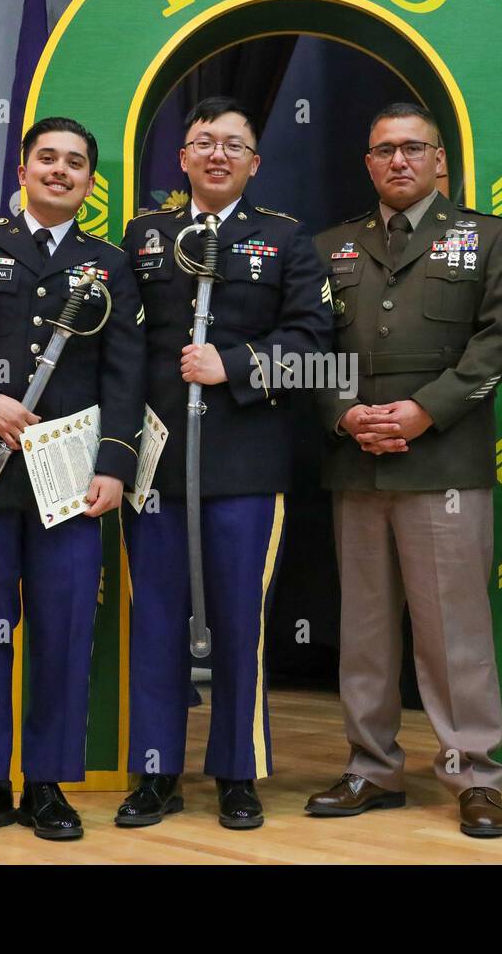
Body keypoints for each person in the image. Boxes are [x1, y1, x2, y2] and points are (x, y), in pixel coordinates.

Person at [0, 116, 145, 842]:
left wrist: (115, 465)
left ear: (89, 182)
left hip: (70, 481)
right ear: (24, 167)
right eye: (48, 158)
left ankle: (47, 784)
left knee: (65, 631)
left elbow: (126, 371)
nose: (61, 170)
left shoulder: (109, 263)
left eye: (76, 162)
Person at [305, 102, 502, 838]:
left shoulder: (488, 237)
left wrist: (425, 410)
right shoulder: (330, 246)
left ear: (440, 160)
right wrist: (346, 413)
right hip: (357, 464)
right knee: (364, 632)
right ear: (368, 163)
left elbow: (500, 340)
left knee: (453, 633)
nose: (398, 161)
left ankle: (474, 774)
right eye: (383, 150)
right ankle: (371, 768)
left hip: (445, 465)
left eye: (413, 148)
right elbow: (308, 344)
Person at [113, 96, 331, 830]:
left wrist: (233, 364)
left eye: (233, 145)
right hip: (155, 462)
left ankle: (238, 770)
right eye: (203, 142)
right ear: (181, 158)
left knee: (242, 622)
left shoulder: (287, 241)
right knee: (156, 622)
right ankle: (154, 773)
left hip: (245, 465)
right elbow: (120, 346)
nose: (217, 154)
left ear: (254, 162)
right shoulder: (143, 237)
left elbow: (314, 350)